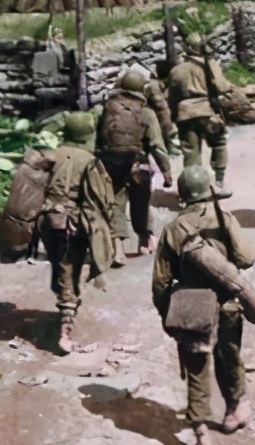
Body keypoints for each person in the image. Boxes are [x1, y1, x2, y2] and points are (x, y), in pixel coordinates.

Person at [152, 165, 255, 445]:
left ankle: (201, 439)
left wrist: (166, 314)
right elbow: (247, 257)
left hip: (191, 306)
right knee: (230, 354)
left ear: (183, 195)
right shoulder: (225, 219)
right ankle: (234, 410)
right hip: (226, 303)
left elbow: (161, 280)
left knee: (197, 369)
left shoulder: (173, 229)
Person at [37, 112, 117, 353]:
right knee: (69, 267)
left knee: (57, 263)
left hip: (47, 220)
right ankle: (65, 331)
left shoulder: (50, 156)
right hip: (72, 223)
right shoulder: (89, 160)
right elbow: (101, 198)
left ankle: (64, 299)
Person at [97, 70, 175, 259]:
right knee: (141, 202)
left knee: (116, 203)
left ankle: (118, 248)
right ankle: (144, 240)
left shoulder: (107, 109)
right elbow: (157, 145)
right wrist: (166, 172)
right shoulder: (146, 113)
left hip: (111, 164)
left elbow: (99, 139)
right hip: (138, 164)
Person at [166, 35, 234, 198]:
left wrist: (174, 117)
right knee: (218, 144)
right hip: (208, 112)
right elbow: (221, 87)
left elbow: (171, 97)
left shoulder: (177, 70)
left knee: (190, 152)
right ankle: (219, 182)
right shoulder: (210, 65)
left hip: (186, 114)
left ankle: (191, 190)